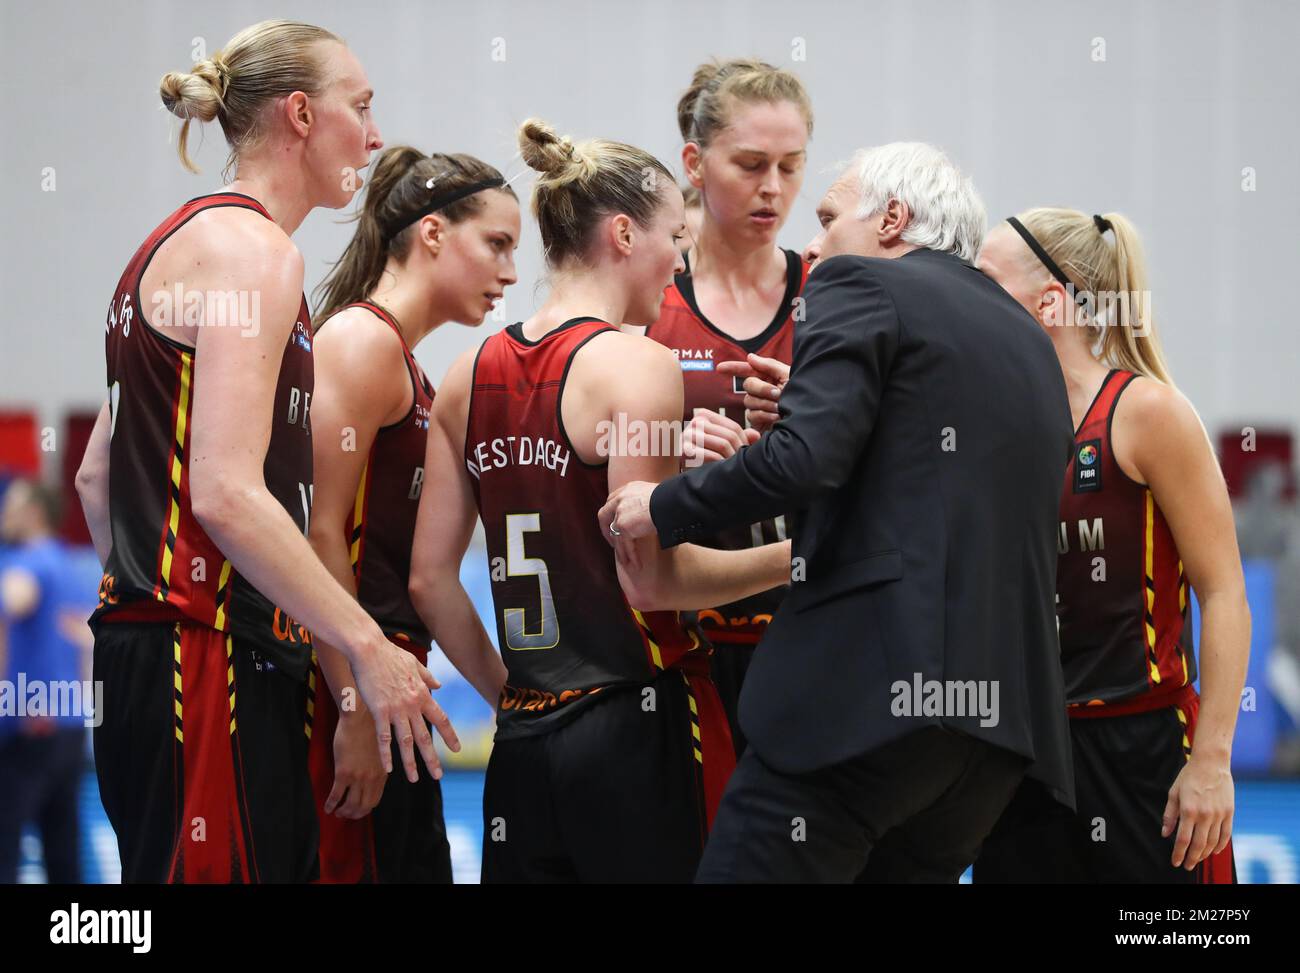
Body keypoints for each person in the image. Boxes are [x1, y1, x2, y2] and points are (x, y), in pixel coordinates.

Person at [599, 142, 1076, 883]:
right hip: (994, 734)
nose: (812, 243)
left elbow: (804, 461)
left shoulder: (856, 281)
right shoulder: (1026, 338)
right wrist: (808, 405)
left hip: (864, 702)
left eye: (827, 216)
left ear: (891, 219)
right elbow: (928, 475)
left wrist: (660, 504)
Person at [74, 20, 457, 883]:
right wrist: (369, 645)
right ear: (299, 115)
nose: (374, 133)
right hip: (205, 653)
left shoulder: (171, 243)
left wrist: (146, 594)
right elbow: (223, 490)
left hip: (155, 645)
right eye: (359, 107)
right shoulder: (256, 253)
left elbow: (97, 477)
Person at [407, 118, 790, 883]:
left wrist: (514, 698)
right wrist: (796, 559)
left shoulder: (465, 371)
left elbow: (429, 580)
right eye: (673, 237)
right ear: (622, 233)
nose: (679, 262)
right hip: (636, 726)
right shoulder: (634, 363)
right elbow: (648, 579)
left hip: (524, 742)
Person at [971, 209, 1248, 883]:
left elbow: (1224, 591)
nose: (966, 301)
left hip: (1141, 746)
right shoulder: (986, 425)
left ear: (1051, 302)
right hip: (1025, 753)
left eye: (984, 282)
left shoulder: (1146, 412)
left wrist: (1211, 758)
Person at [304, 146, 517, 883]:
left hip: (393, 682)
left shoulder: (407, 365)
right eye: (496, 243)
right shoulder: (361, 342)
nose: (511, 272)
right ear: (432, 233)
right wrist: (352, 706)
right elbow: (317, 531)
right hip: (352, 685)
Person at [643, 58, 812, 757]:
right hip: (682, 649)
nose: (772, 188)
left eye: (791, 166)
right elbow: (578, 453)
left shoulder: (830, 296)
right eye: (750, 164)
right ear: (695, 161)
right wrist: (664, 450)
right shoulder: (646, 301)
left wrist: (811, 423)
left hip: (810, 640)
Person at [0, 481, 87, 883]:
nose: (4, 513)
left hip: (33, 722)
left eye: (11, 505)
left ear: (34, 512)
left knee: (7, 840)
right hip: (69, 723)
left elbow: (15, 600)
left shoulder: (29, 564)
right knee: (62, 844)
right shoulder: (72, 566)